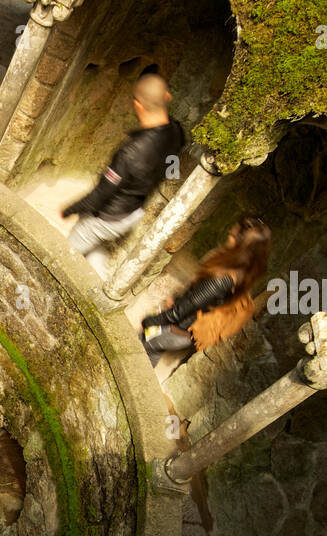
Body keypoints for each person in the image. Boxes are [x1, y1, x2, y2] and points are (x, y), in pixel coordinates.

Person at [61, 74, 186, 276]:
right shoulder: (177, 133)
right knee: (94, 244)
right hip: (132, 213)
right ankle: (100, 280)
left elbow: (101, 195)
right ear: (167, 96)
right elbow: (173, 170)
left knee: (67, 255)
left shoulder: (130, 152)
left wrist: (70, 209)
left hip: (109, 216)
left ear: (138, 105)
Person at [140, 215, 272, 366]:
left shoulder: (224, 278)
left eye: (232, 234)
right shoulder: (241, 272)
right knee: (151, 351)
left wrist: (151, 321)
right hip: (183, 328)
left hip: (179, 329)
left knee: (145, 348)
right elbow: (199, 297)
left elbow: (188, 306)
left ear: (241, 245)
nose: (229, 232)